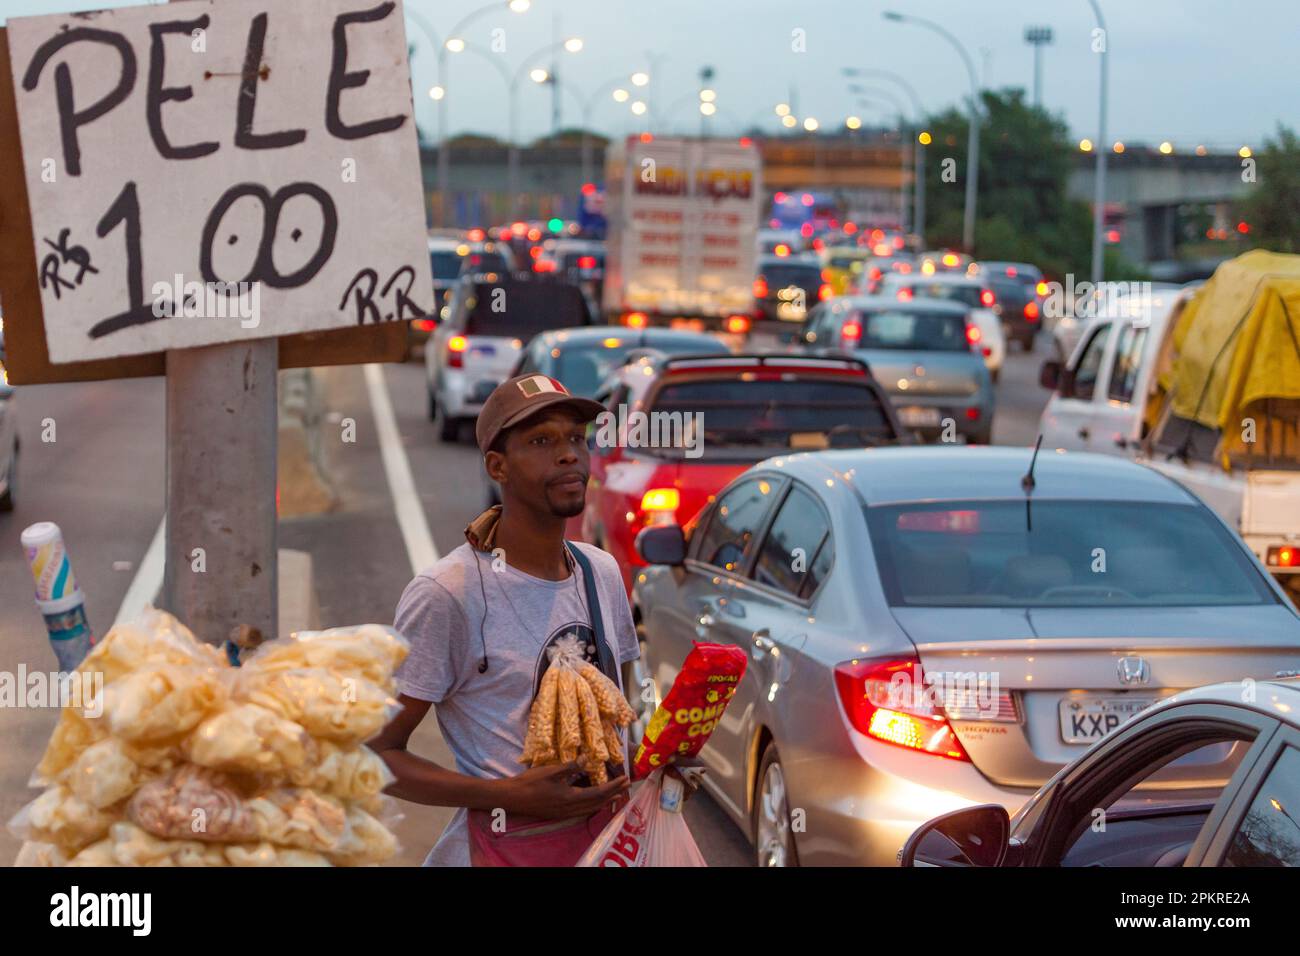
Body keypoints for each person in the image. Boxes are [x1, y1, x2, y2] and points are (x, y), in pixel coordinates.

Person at [371, 373, 651, 866]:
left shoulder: (600, 572)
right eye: (542, 441)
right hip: (507, 849)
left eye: (575, 439)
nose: (568, 455)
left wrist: (660, 764)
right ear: (497, 466)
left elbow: (619, 728)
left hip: (608, 846)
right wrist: (509, 795)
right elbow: (377, 753)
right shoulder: (447, 594)